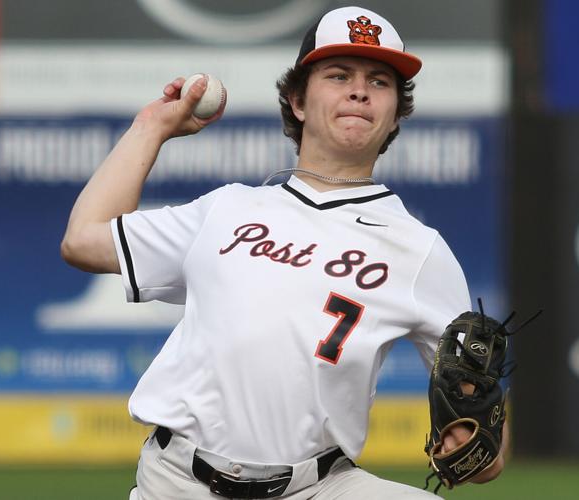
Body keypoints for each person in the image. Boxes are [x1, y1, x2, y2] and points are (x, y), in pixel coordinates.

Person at [61, 5, 506, 499]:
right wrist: (151, 128)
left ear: (396, 114)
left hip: (318, 487)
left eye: (380, 82)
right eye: (339, 75)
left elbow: (485, 454)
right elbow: (84, 240)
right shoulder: (227, 208)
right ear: (297, 100)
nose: (360, 90)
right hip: (179, 481)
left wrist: (470, 437)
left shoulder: (421, 252)